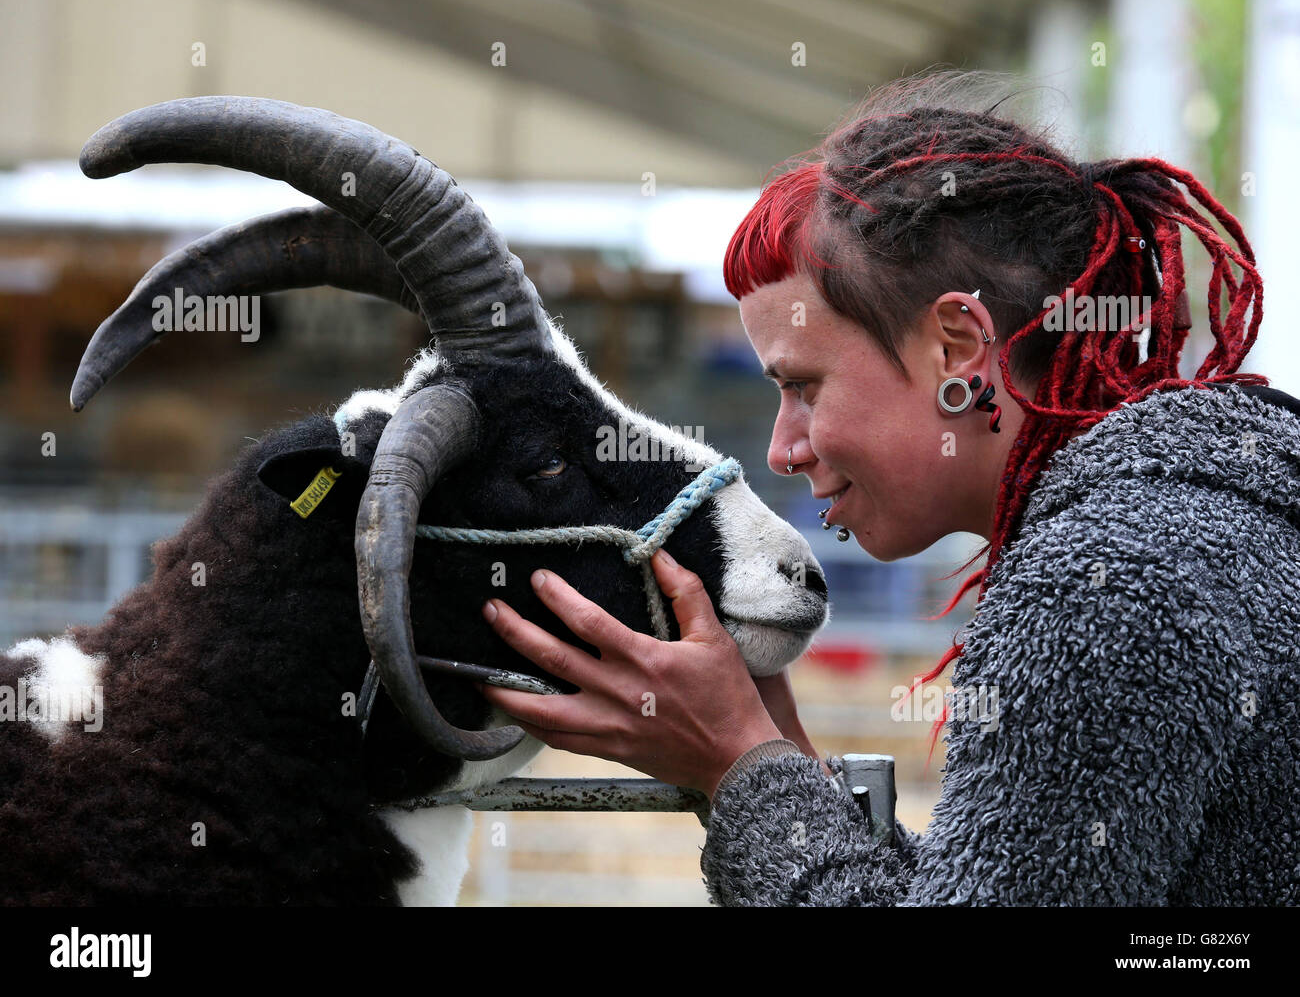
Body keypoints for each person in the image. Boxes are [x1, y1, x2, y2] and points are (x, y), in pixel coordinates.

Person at [477, 70, 1300, 905]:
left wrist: (739, 765)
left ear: (955, 350)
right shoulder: (1204, 524)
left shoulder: (1109, 580)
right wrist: (787, 770)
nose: (781, 449)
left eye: (802, 387)